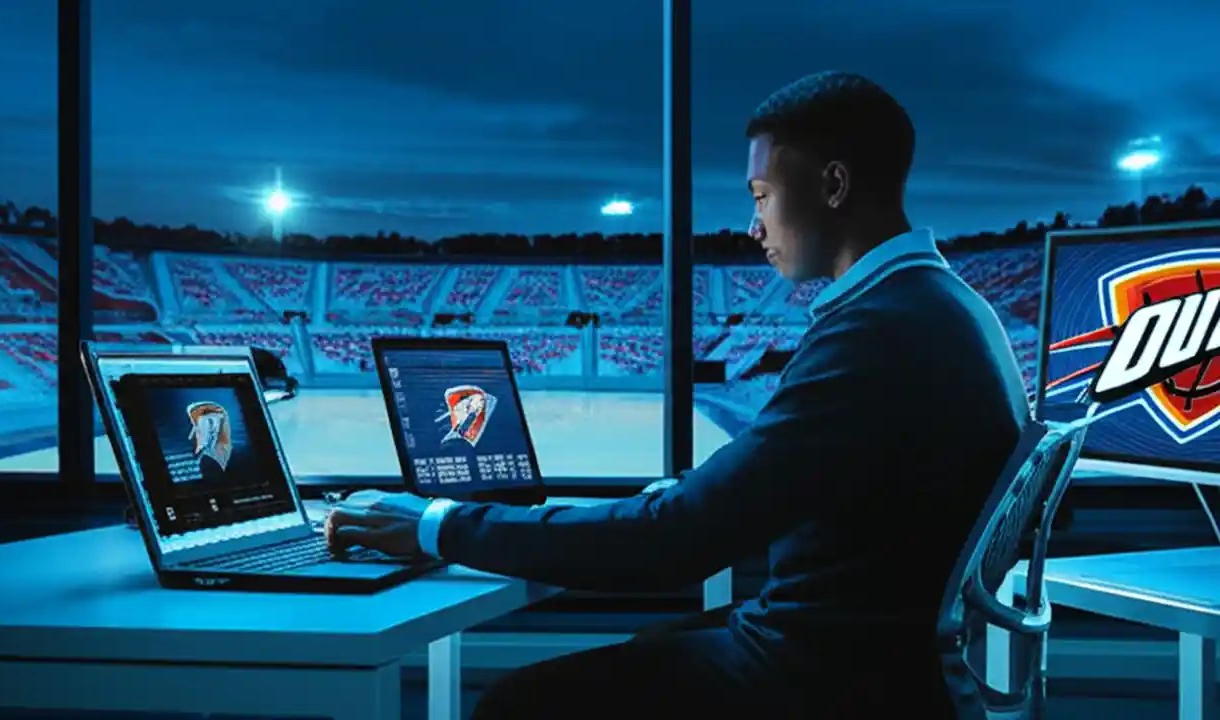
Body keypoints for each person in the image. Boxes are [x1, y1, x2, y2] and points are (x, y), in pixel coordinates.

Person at [325, 71, 1029, 718]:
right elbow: (794, 492)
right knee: (658, 642)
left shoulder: (878, 332)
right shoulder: (949, 308)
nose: (753, 225)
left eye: (762, 196)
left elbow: (677, 546)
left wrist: (437, 525)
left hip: (826, 678)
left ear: (834, 185)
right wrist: (697, 500)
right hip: (877, 658)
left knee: (518, 704)